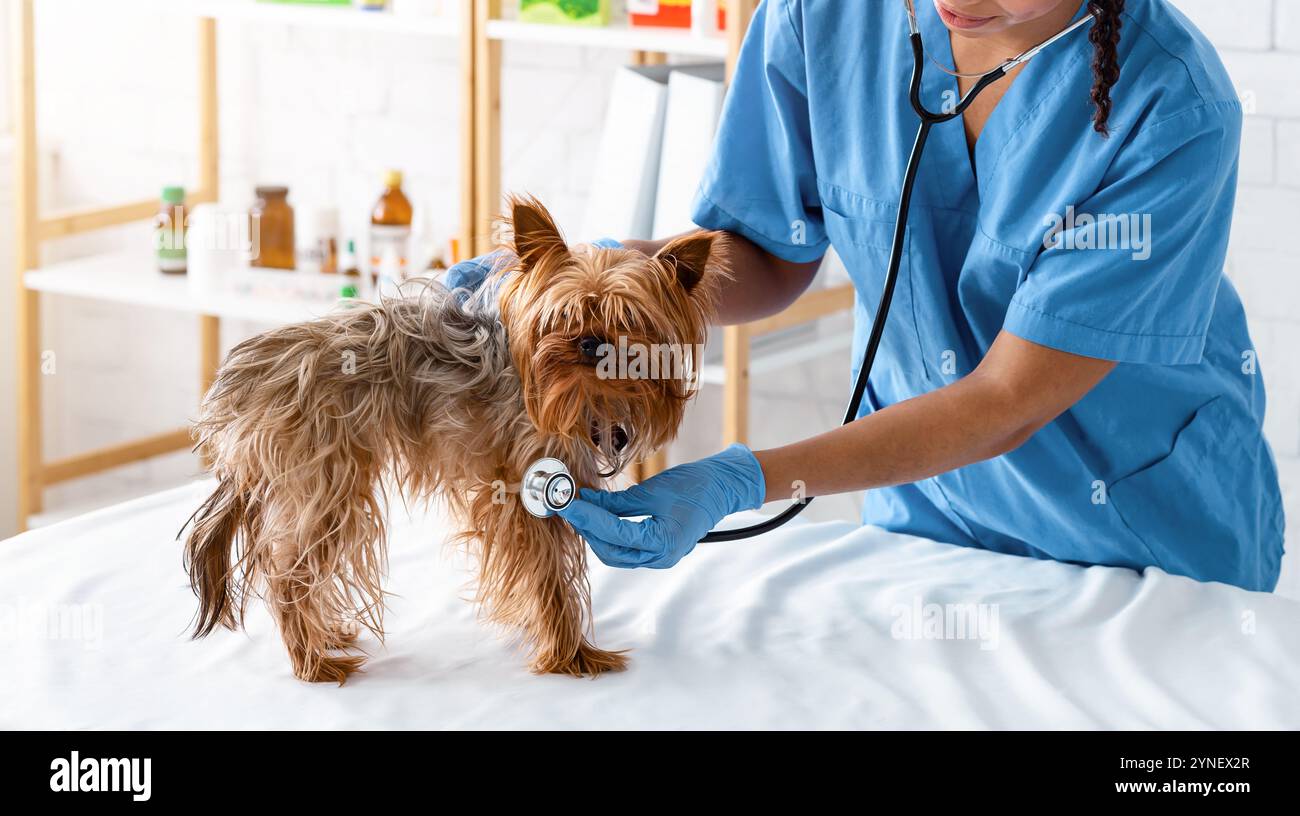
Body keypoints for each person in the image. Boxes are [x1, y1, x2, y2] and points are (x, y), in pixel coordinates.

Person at [450, 0, 1284, 592]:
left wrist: (749, 476)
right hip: (927, 523)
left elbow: (1007, 399)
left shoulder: (1173, 105)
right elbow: (770, 253)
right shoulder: (825, 12)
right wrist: (635, 274)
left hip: (1138, 546)